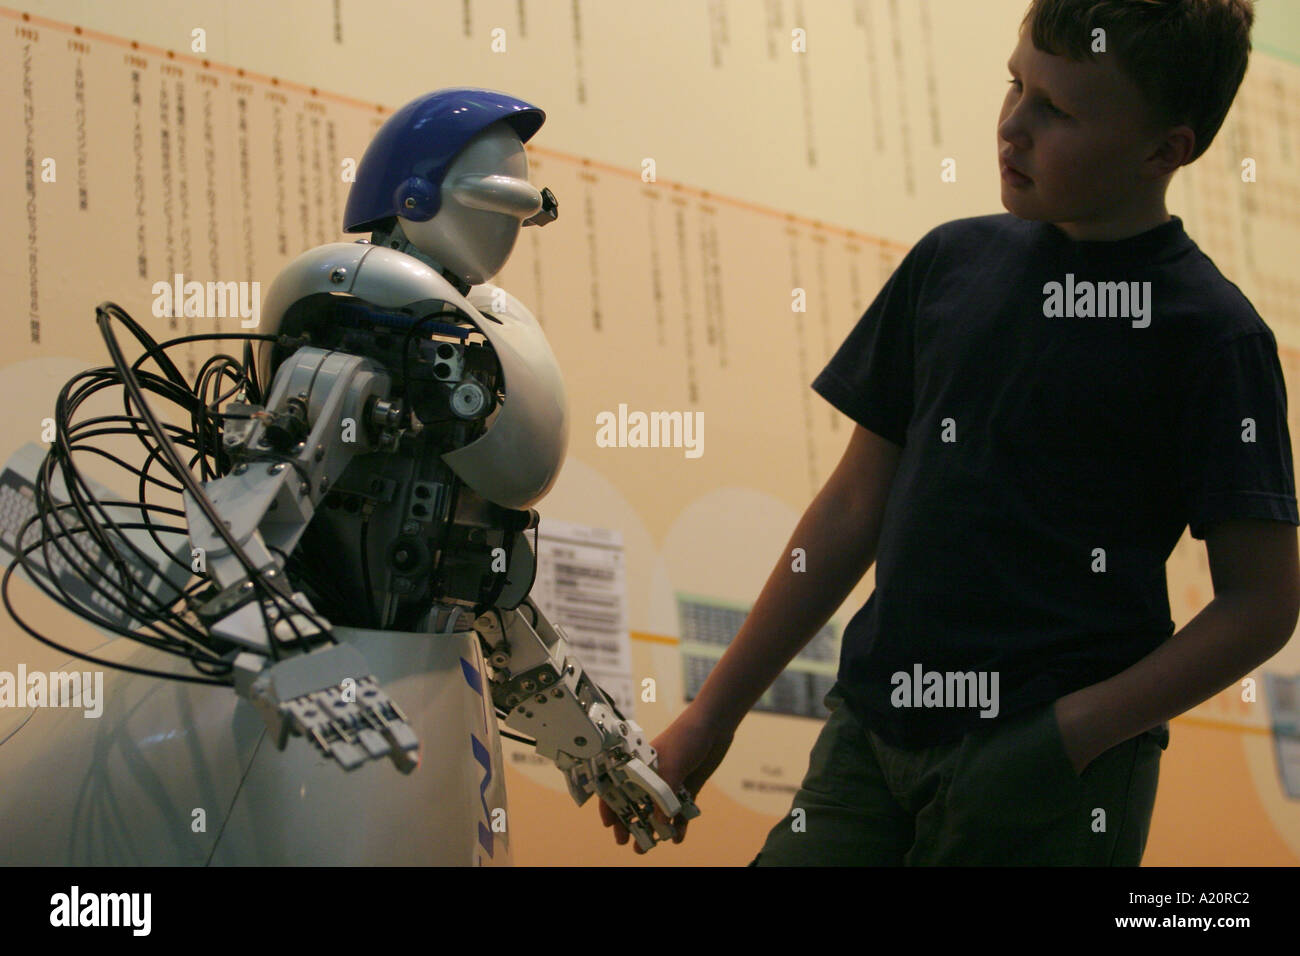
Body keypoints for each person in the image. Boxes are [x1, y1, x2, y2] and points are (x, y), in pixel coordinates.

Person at [599, 0, 1299, 865]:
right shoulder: (948, 263)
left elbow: (1262, 605)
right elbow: (854, 505)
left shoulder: (1214, 336)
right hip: (867, 740)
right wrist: (713, 713)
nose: (1013, 126)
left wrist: (1068, 738)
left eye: (1060, 111)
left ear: (1167, 149)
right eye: (1016, 84)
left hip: (1051, 777)